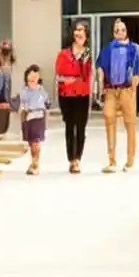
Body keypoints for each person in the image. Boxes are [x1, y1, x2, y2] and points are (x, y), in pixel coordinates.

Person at [96, 18, 139, 173]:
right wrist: (100, 82)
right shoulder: (108, 48)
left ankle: (130, 161)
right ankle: (112, 161)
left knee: (130, 125)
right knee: (109, 119)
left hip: (127, 90)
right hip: (111, 91)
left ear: (126, 31)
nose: (120, 33)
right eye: (117, 30)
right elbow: (100, 65)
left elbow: (138, 70)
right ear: (113, 32)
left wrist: (133, 90)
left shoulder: (134, 48)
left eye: (122, 30)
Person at [54, 21, 93, 174]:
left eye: (82, 30)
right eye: (77, 30)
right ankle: (71, 158)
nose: (79, 33)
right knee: (70, 126)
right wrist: (70, 78)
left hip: (83, 94)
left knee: (81, 127)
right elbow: (60, 74)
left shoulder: (87, 54)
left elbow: (86, 75)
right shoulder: (63, 54)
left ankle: (78, 159)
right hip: (66, 95)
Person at [16, 64, 51, 175]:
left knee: (36, 141)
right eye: (30, 79)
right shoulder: (24, 92)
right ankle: (33, 161)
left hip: (38, 116)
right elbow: (21, 105)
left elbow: (47, 101)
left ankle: (36, 164)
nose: (33, 81)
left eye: (35, 78)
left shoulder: (41, 90)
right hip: (28, 117)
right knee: (31, 142)